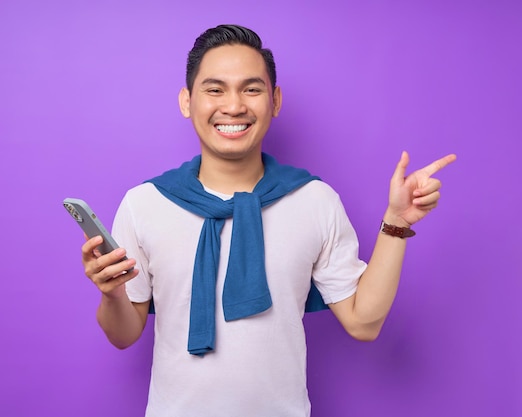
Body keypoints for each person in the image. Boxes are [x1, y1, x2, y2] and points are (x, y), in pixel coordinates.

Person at [81, 24, 456, 417]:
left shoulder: (313, 200)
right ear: (186, 101)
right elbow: (124, 335)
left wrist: (396, 221)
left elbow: (364, 323)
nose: (234, 106)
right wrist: (111, 293)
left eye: (251, 89)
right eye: (215, 89)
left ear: (274, 100)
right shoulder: (146, 204)